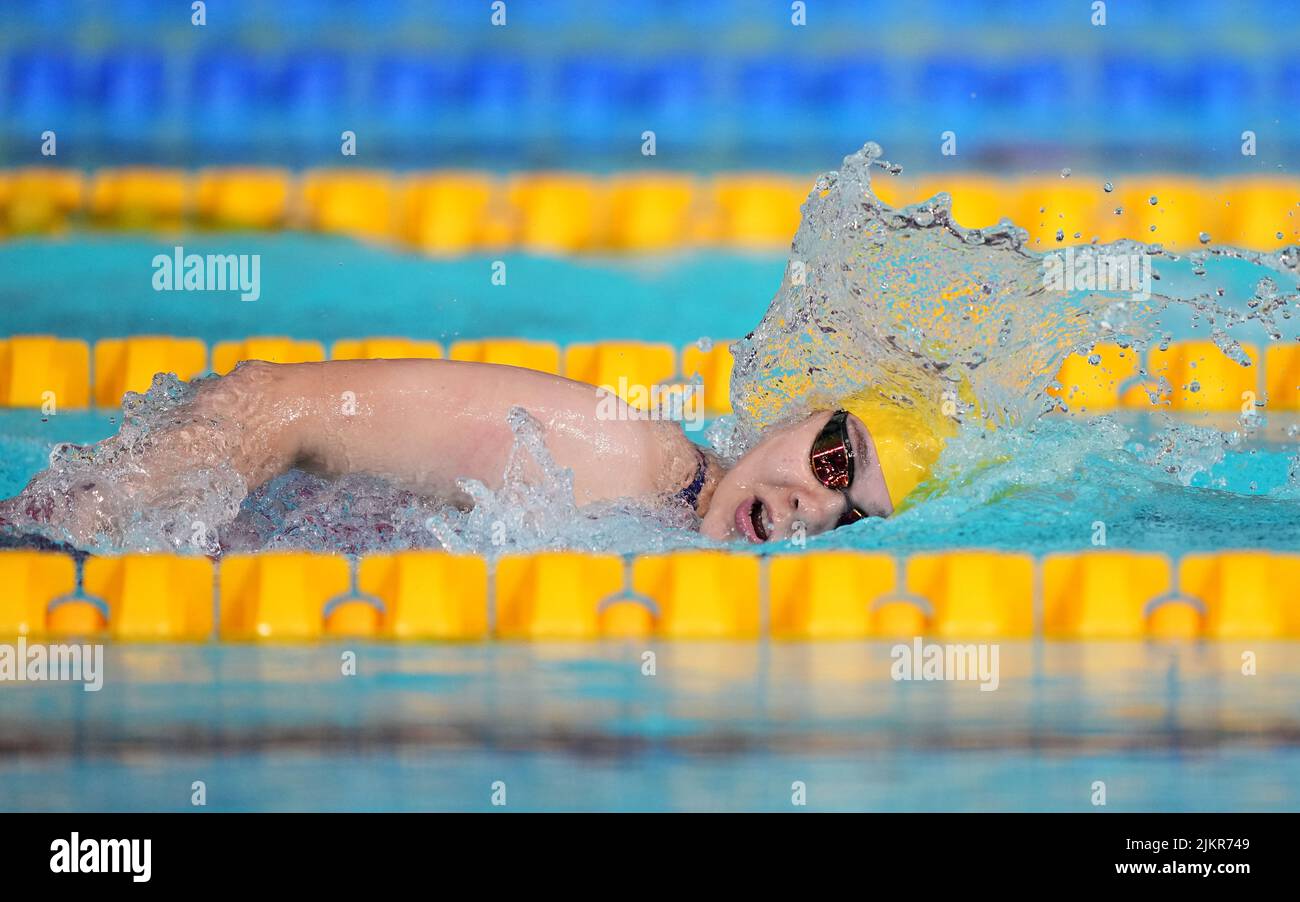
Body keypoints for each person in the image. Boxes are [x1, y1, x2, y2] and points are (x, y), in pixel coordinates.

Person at [2, 357, 950, 548]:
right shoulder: (617, 454)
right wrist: (62, 535)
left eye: (853, 515)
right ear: (797, 420)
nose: (814, 509)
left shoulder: (664, 532)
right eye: (837, 463)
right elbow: (278, 404)